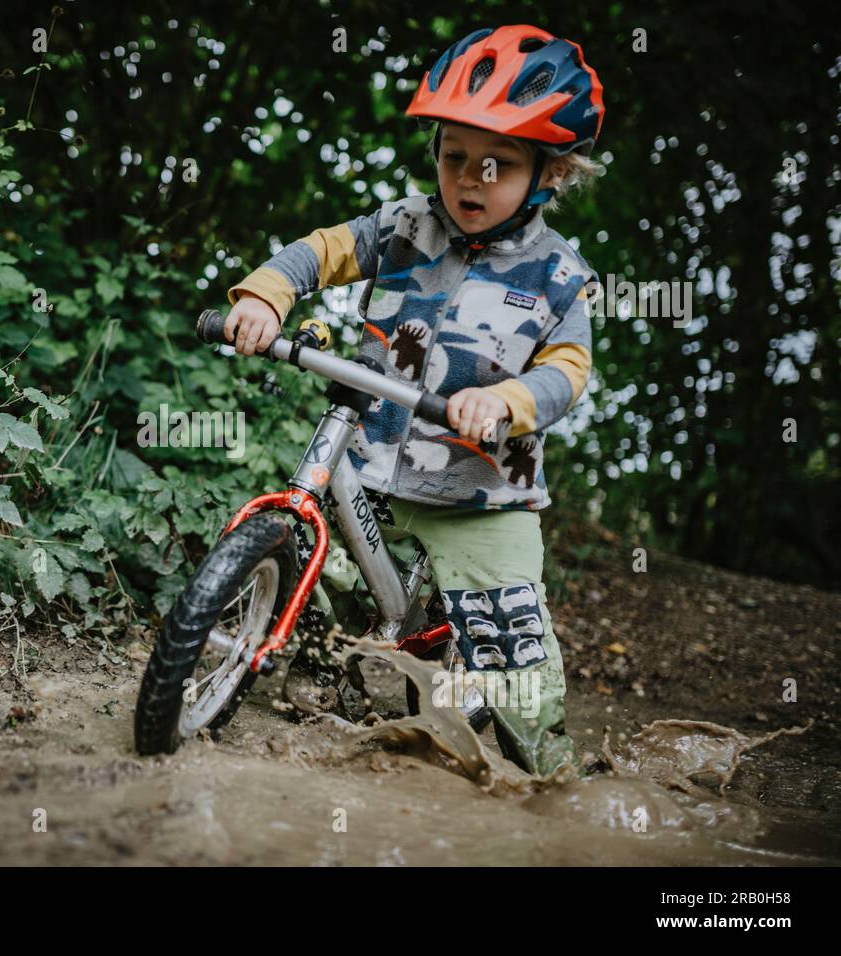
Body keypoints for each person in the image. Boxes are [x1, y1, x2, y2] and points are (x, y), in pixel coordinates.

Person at [222, 24, 606, 777]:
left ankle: (551, 782)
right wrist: (268, 294)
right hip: (371, 462)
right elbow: (323, 250)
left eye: (496, 165)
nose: (468, 178)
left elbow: (568, 368)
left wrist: (505, 399)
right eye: (453, 155)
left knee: (512, 643)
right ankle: (303, 667)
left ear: (551, 174)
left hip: (482, 495)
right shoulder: (403, 226)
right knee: (317, 566)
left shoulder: (559, 274)